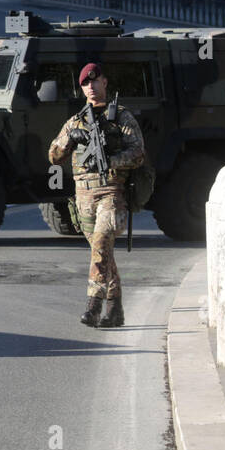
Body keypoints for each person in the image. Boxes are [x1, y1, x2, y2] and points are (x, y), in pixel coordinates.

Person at [47, 62, 146, 329]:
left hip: (111, 194)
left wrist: (112, 160)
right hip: (83, 199)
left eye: (95, 81)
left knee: (101, 247)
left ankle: (93, 306)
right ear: (82, 89)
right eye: (85, 84)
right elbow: (54, 157)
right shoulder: (75, 121)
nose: (91, 87)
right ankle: (115, 311)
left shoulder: (121, 117)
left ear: (105, 82)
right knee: (102, 254)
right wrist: (71, 137)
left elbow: (138, 154)